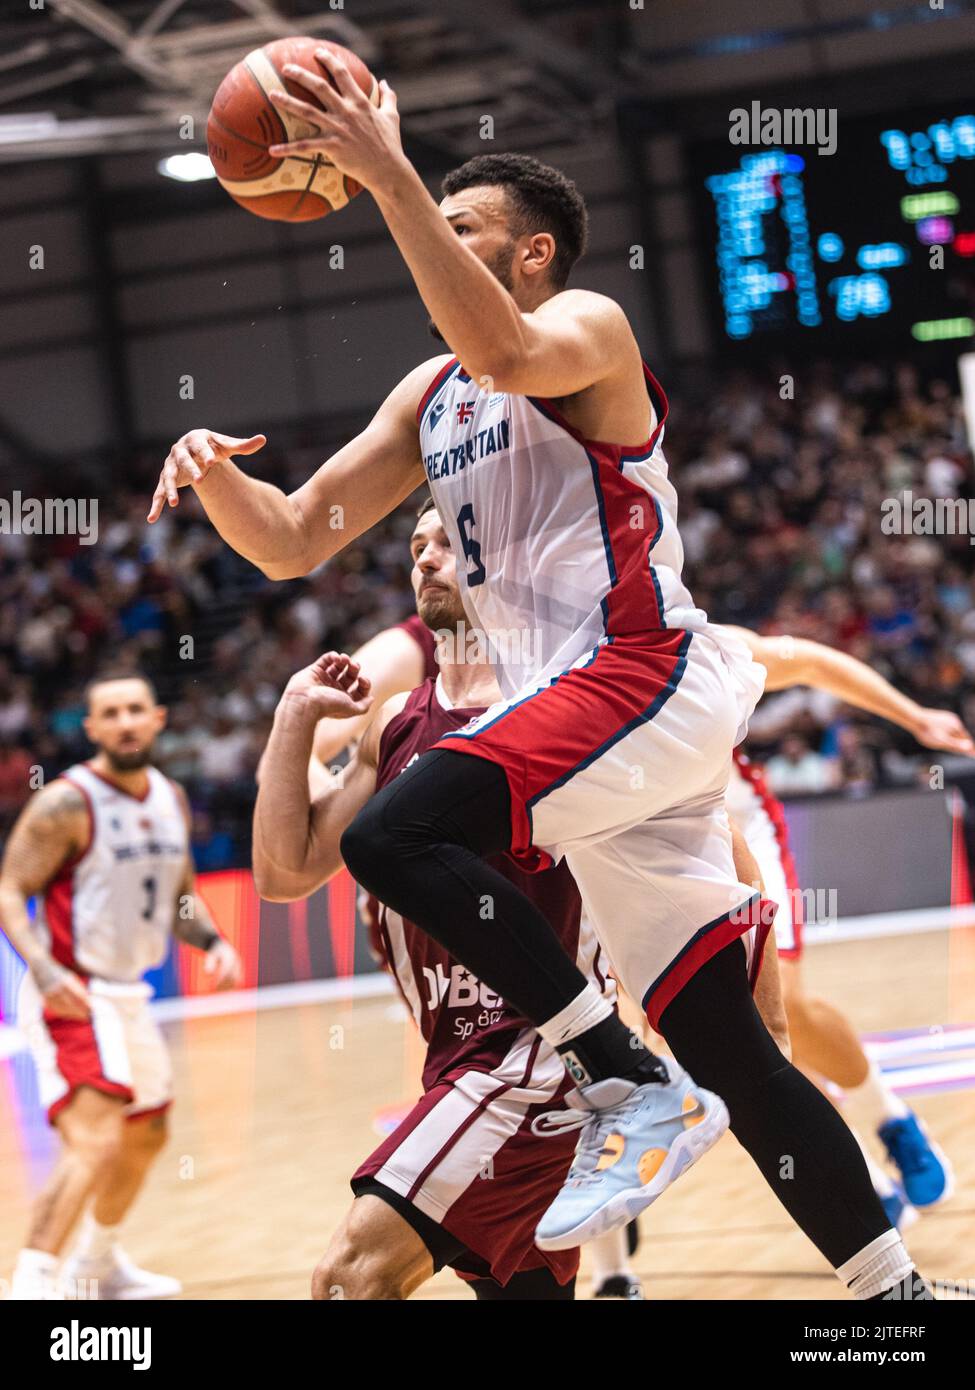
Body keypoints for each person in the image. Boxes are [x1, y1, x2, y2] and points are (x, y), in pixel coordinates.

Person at [149, 62, 924, 1297]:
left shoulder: (586, 328)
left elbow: (503, 346)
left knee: (396, 831)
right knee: (738, 1053)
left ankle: (618, 1073)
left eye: (461, 226)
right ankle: (897, 1298)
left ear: (534, 252)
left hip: (640, 673)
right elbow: (293, 538)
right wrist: (214, 475)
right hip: (586, 738)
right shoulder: (430, 396)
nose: (430, 234)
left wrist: (384, 168)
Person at [252, 502, 780, 1300]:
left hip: (537, 1061)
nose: (425, 557)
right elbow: (284, 872)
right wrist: (293, 716)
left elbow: (718, 847)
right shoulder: (395, 722)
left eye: (447, 541)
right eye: (415, 544)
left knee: (349, 1278)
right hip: (453, 1056)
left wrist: (762, 1025)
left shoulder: (562, 700)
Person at [0, 673, 242, 1300]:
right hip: (72, 989)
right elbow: (10, 888)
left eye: (136, 709)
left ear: (158, 718)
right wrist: (42, 968)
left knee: (147, 1134)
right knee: (96, 1139)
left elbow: (181, 898)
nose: (126, 721)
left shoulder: (170, 797)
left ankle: (95, 1267)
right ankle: (32, 1282)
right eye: (111, 713)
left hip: (129, 993)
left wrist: (213, 941)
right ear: (92, 728)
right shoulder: (66, 801)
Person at [726, 627, 970, 1219]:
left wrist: (914, 716)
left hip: (741, 832)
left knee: (783, 1007)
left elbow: (809, 662)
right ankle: (856, 1170)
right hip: (647, 860)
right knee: (738, 1040)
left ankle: (891, 1117)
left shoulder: (690, 638)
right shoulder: (545, 666)